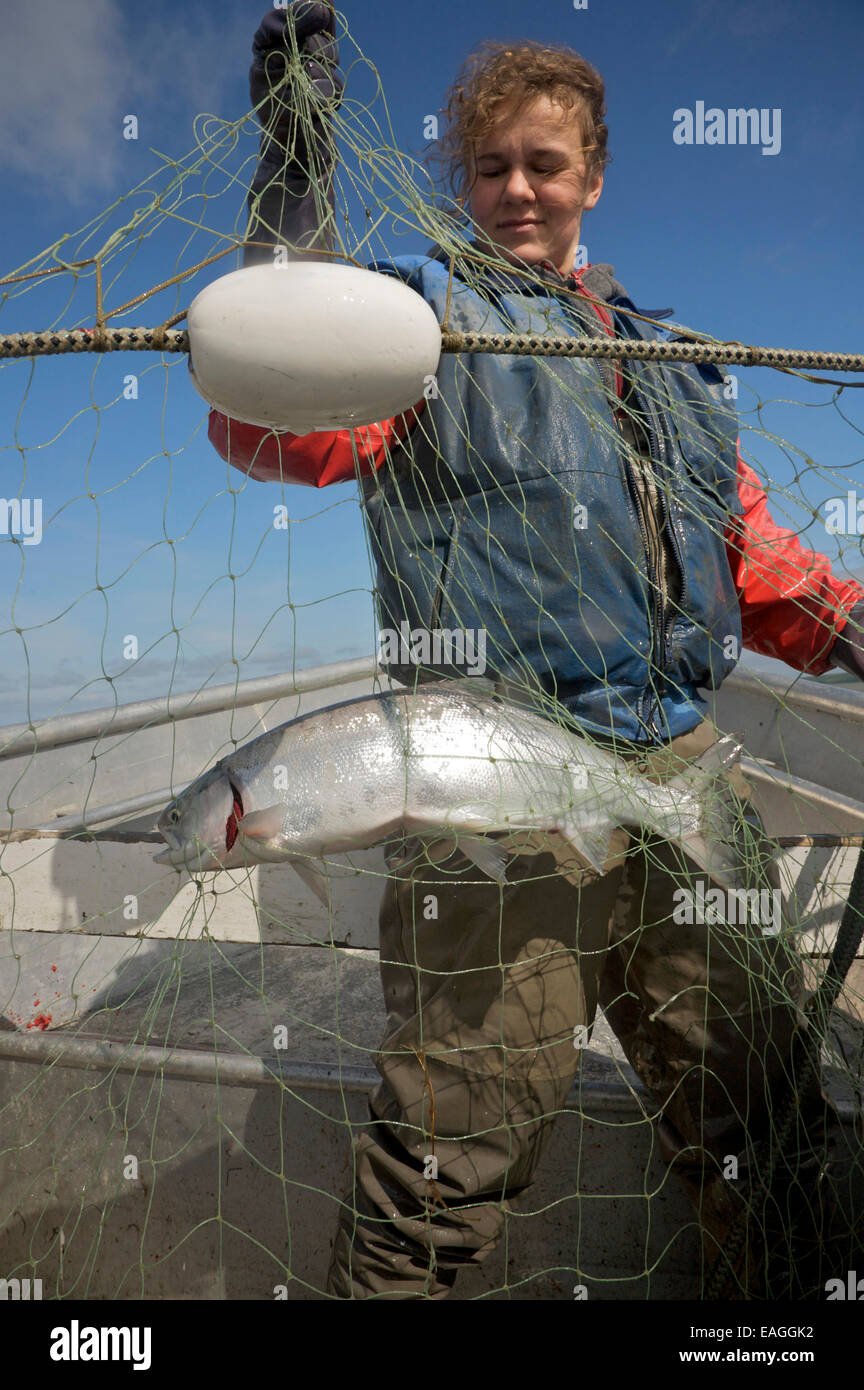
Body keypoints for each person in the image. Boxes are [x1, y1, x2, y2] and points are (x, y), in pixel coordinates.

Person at [209, 3, 864, 1299]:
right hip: (488, 797)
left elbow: (761, 566)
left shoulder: (676, 365)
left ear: (594, 178)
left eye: (544, 164)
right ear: (461, 177)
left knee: (766, 1125)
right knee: (442, 1179)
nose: (517, 189)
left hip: (685, 771)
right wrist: (295, 168)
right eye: (490, 163)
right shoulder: (413, 327)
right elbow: (278, 417)